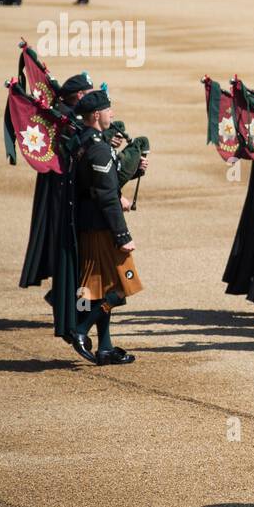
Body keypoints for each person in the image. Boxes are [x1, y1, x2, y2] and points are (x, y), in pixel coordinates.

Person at [70, 88, 142, 364]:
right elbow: (106, 195)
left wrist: (134, 169)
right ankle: (80, 330)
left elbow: (105, 184)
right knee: (123, 286)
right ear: (96, 114)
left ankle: (105, 347)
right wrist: (123, 235)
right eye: (109, 109)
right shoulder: (99, 148)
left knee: (100, 288)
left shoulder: (87, 141)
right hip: (101, 228)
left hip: (91, 224)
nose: (112, 113)